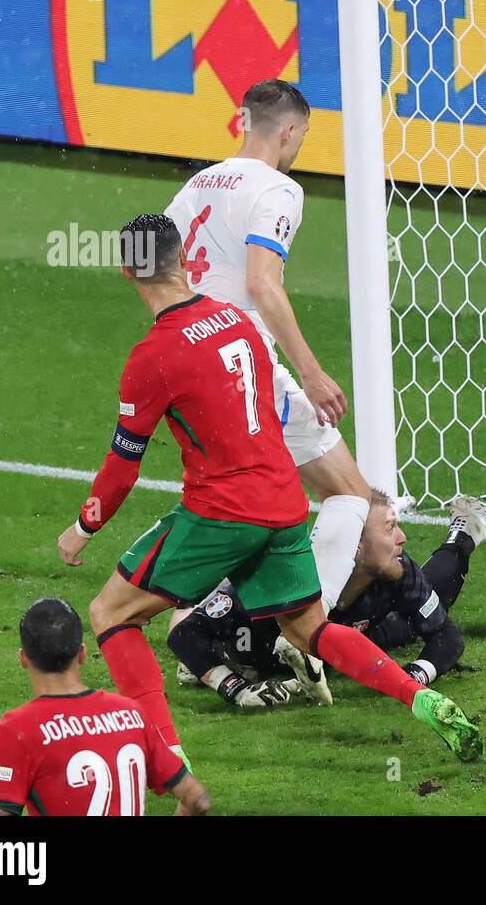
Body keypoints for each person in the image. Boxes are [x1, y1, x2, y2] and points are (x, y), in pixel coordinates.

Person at [55, 214, 482, 766]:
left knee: (111, 614)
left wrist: (83, 527)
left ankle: (167, 761)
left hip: (223, 513)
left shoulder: (151, 358)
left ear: (125, 272)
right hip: (284, 501)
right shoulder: (236, 321)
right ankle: (420, 697)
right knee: (309, 629)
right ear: (184, 257)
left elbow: (122, 467)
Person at [164, 79, 371, 617]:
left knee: (232, 500)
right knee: (349, 492)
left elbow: (146, 264)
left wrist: (183, 333)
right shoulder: (279, 190)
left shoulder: (197, 185)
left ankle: (197, 632)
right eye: (301, 134)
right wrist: (312, 372)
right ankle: (310, 626)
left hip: (188, 362)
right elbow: (262, 283)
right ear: (287, 130)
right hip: (243, 365)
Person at [167, 493, 486, 706]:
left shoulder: (396, 569)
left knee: (430, 603)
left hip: (361, 636)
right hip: (327, 640)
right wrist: (234, 687)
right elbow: (184, 637)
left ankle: (467, 531)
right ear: (355, 543)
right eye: (390, 527)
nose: (402, 537)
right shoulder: (277, 583)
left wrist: (411, 676)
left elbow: (448, 640)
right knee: (200, 638)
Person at [0, 597, 210, 816]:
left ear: (23, 659)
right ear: (81, 654)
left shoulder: (18, 729)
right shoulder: (131, 714)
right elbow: (197, 799)